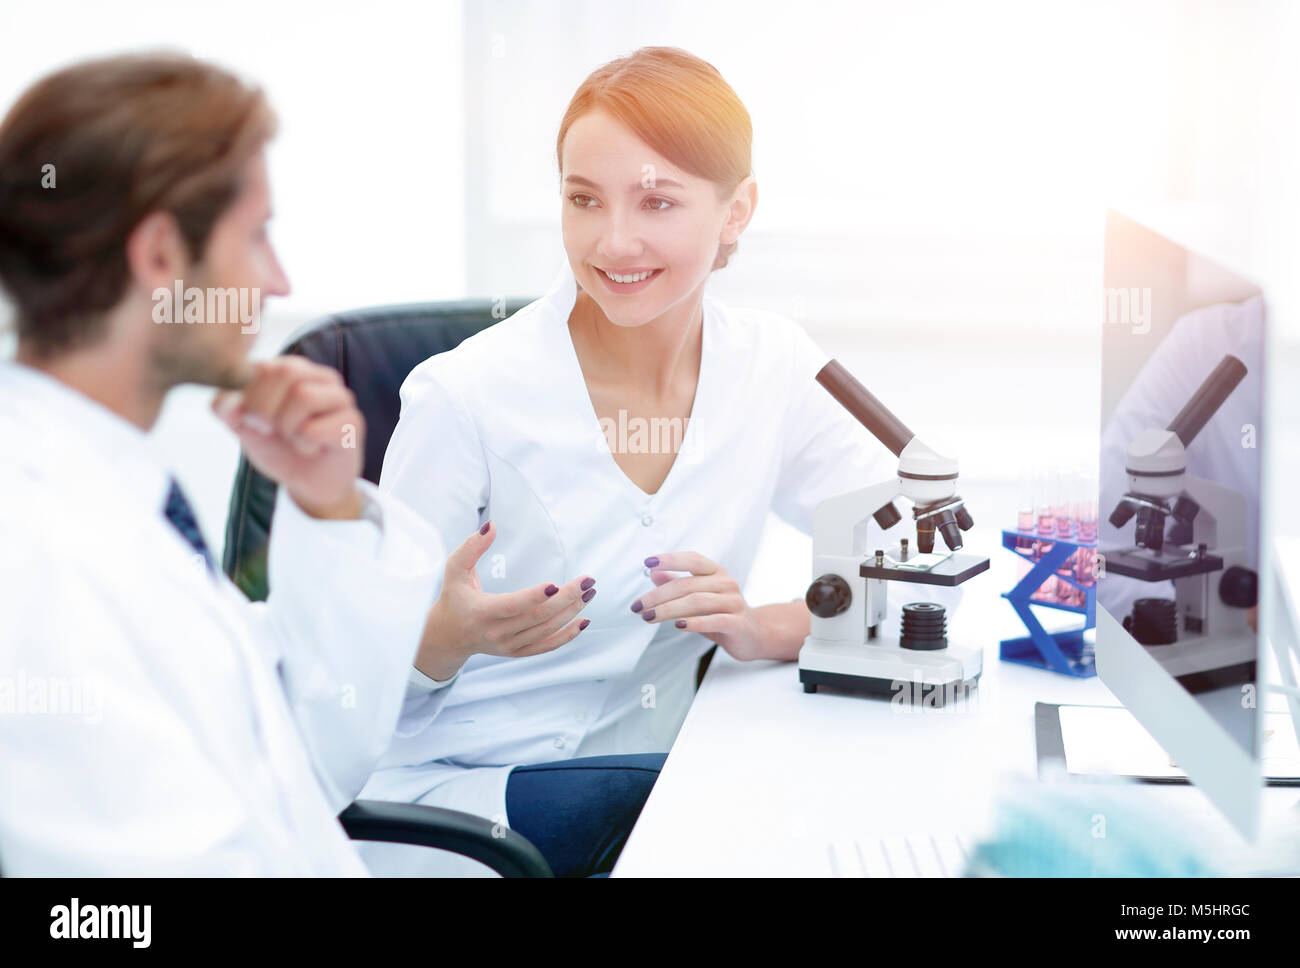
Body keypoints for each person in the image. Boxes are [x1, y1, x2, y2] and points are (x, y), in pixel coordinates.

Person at [358, 47, 909, 876]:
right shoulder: (462, 396)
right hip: (457, 806)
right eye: (584, 200)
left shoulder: (773, 366)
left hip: (650, 781)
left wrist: (764, 629)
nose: (614, 241)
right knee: (765, 821)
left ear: (737, 210)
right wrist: (443, 637)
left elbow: (908, 555)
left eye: (657, 201)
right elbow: (355, 687)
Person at [0, 53, 460, 873]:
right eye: (256, 235)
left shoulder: (107, 489)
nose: (277, 279)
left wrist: (329, 511)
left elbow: (295, 769)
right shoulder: (40, 552)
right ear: (160, 258)